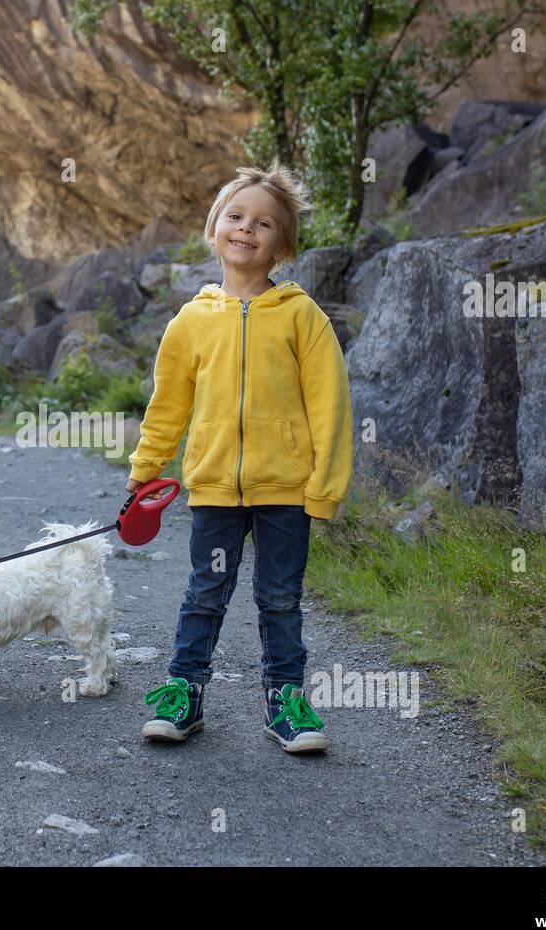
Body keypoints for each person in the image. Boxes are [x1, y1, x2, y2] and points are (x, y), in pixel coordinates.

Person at [125, 162, 353, 755]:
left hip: (286, 491)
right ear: (214, 229)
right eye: (236, 216)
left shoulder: (304, 317)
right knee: (206, 591)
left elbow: (331, 406)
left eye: (264, 223)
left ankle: (287, 705)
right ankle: (184, 695)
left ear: (283, 244)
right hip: (215, 490)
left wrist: (323, 485)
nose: (247, 228)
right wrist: (145, 473)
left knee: (280, 599)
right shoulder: (191, 321)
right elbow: (167, 405)